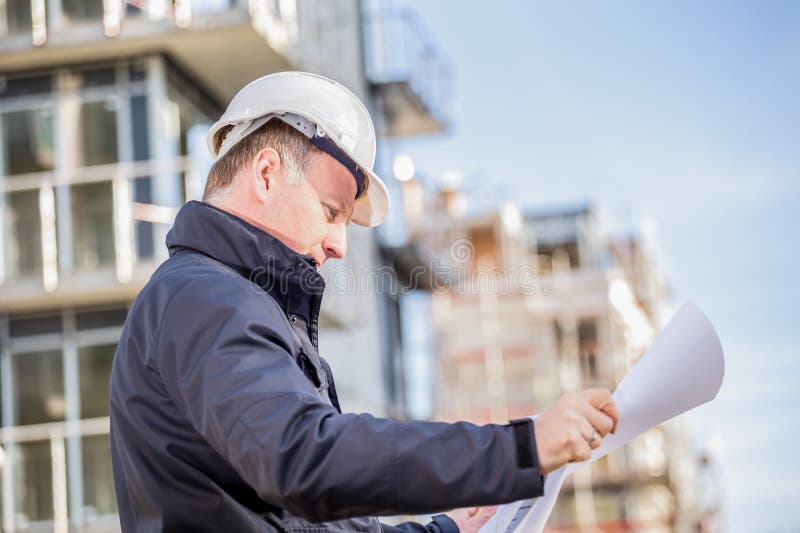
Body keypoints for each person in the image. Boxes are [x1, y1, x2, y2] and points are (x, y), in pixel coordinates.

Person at [109, 71, 619, 533]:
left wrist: (447, 531)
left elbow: (303, 512)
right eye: (332, 211)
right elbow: (304, 459)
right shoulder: (206, 297)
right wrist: (521, 450)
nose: (339, 244)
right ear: (265, 174)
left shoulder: (225, 303)